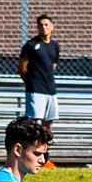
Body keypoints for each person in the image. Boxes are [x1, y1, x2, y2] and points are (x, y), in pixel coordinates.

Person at [17, 14, 60, 166]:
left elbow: (53, 66)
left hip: (51, 91)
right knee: (34, 125)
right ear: (37, 27)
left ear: (52, 26)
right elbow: (22, 69)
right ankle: (29, 157)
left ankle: (45, 158)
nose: (44, 27)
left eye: (47, 24)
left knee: (48, 125)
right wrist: (31, 84)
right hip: (36, 91)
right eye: (41, 25)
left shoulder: (55, 45)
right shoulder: (30, 45)